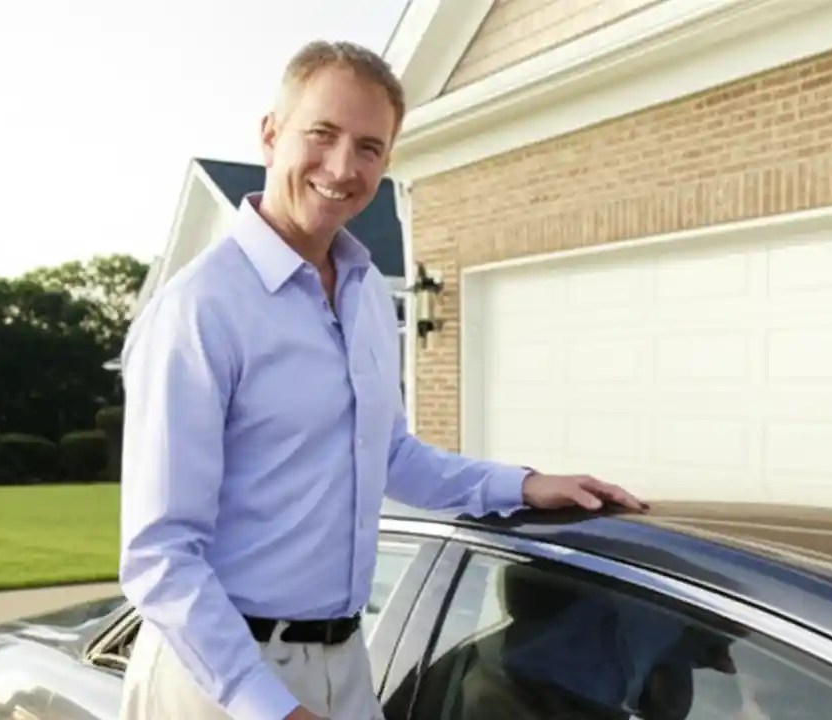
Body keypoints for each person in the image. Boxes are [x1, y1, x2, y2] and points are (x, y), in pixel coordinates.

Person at [115, 39, 647, 720]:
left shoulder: (365, 291)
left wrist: (522, 485)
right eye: (322, 134)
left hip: (342, 662)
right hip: (220, 678)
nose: (343, 167)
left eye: (368, 147)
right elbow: (160, 555)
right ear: (271, 135)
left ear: (387, 161)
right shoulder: (200, 309)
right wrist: (268, 705)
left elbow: (389, 453)